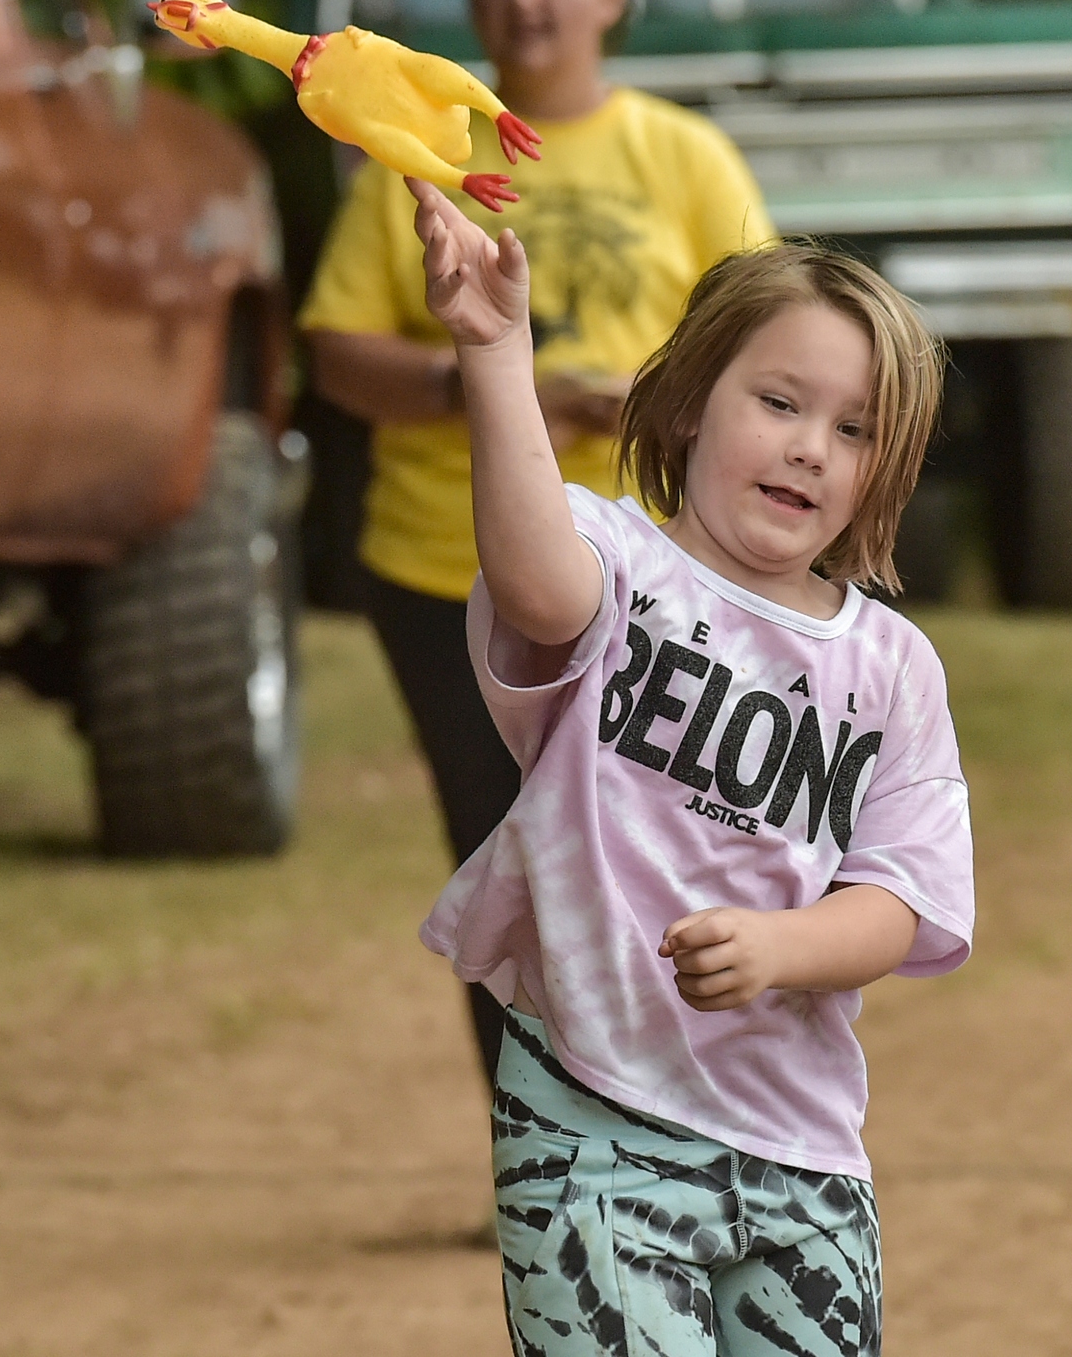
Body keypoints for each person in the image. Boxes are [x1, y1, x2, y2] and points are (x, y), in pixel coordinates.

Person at [410, 177, 974, 1356]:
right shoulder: (617, 568)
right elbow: (532, 581)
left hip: (804, 1148)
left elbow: (900, 903)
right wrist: (496, 353)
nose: (811, 449)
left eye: (856, 429)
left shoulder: (893, 668)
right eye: (779, 401)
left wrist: (783, 948)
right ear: (685, 408)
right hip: (591, 1115)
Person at [300, 0, 773, 1085]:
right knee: (507, 851)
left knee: (659, 849)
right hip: (442, 569)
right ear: (475, 6)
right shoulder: (416, 152)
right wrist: (498, 385)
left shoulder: (682, 154)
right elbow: (337, 352)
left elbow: (772, 337)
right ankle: (538, 1142)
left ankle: (671, 1118)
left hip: (657, 571)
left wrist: (659, 398)